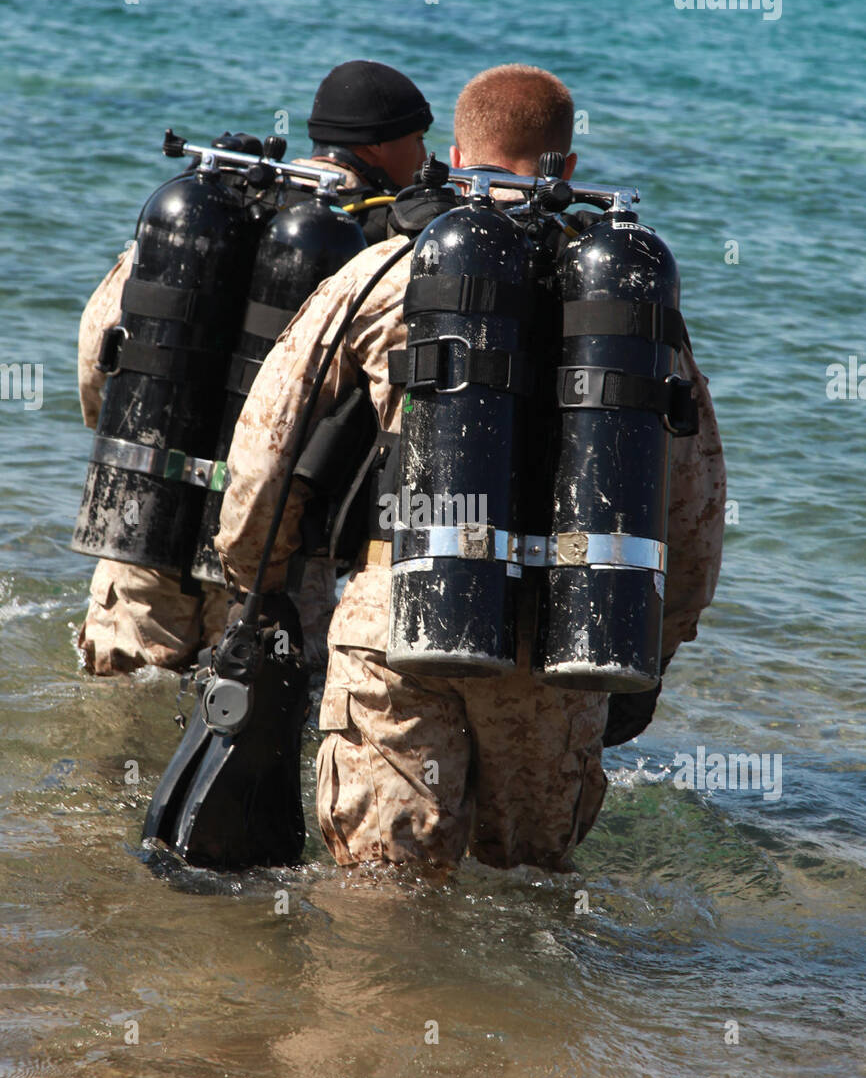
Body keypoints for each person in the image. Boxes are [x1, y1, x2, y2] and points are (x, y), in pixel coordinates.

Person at [215, 63, 726, 871]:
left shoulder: (392, 270)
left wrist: (264, 587)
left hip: (396, 622)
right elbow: (694, 517)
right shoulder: (629, 304)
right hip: (563, 647)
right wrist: (646, 652)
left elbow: (265, 453)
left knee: (380, 905)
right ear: (569, 167)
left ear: (454, 155)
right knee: (527, 906)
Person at [76, 61, 432, 677]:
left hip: (144, 512)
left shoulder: (226, 204)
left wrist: (128, 439)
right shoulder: (369, 248)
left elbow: (100, 339)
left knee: (119, 716)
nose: (425, 156)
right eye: (418, 139)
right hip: (275, 557)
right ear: (377, 144)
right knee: (251, 740)